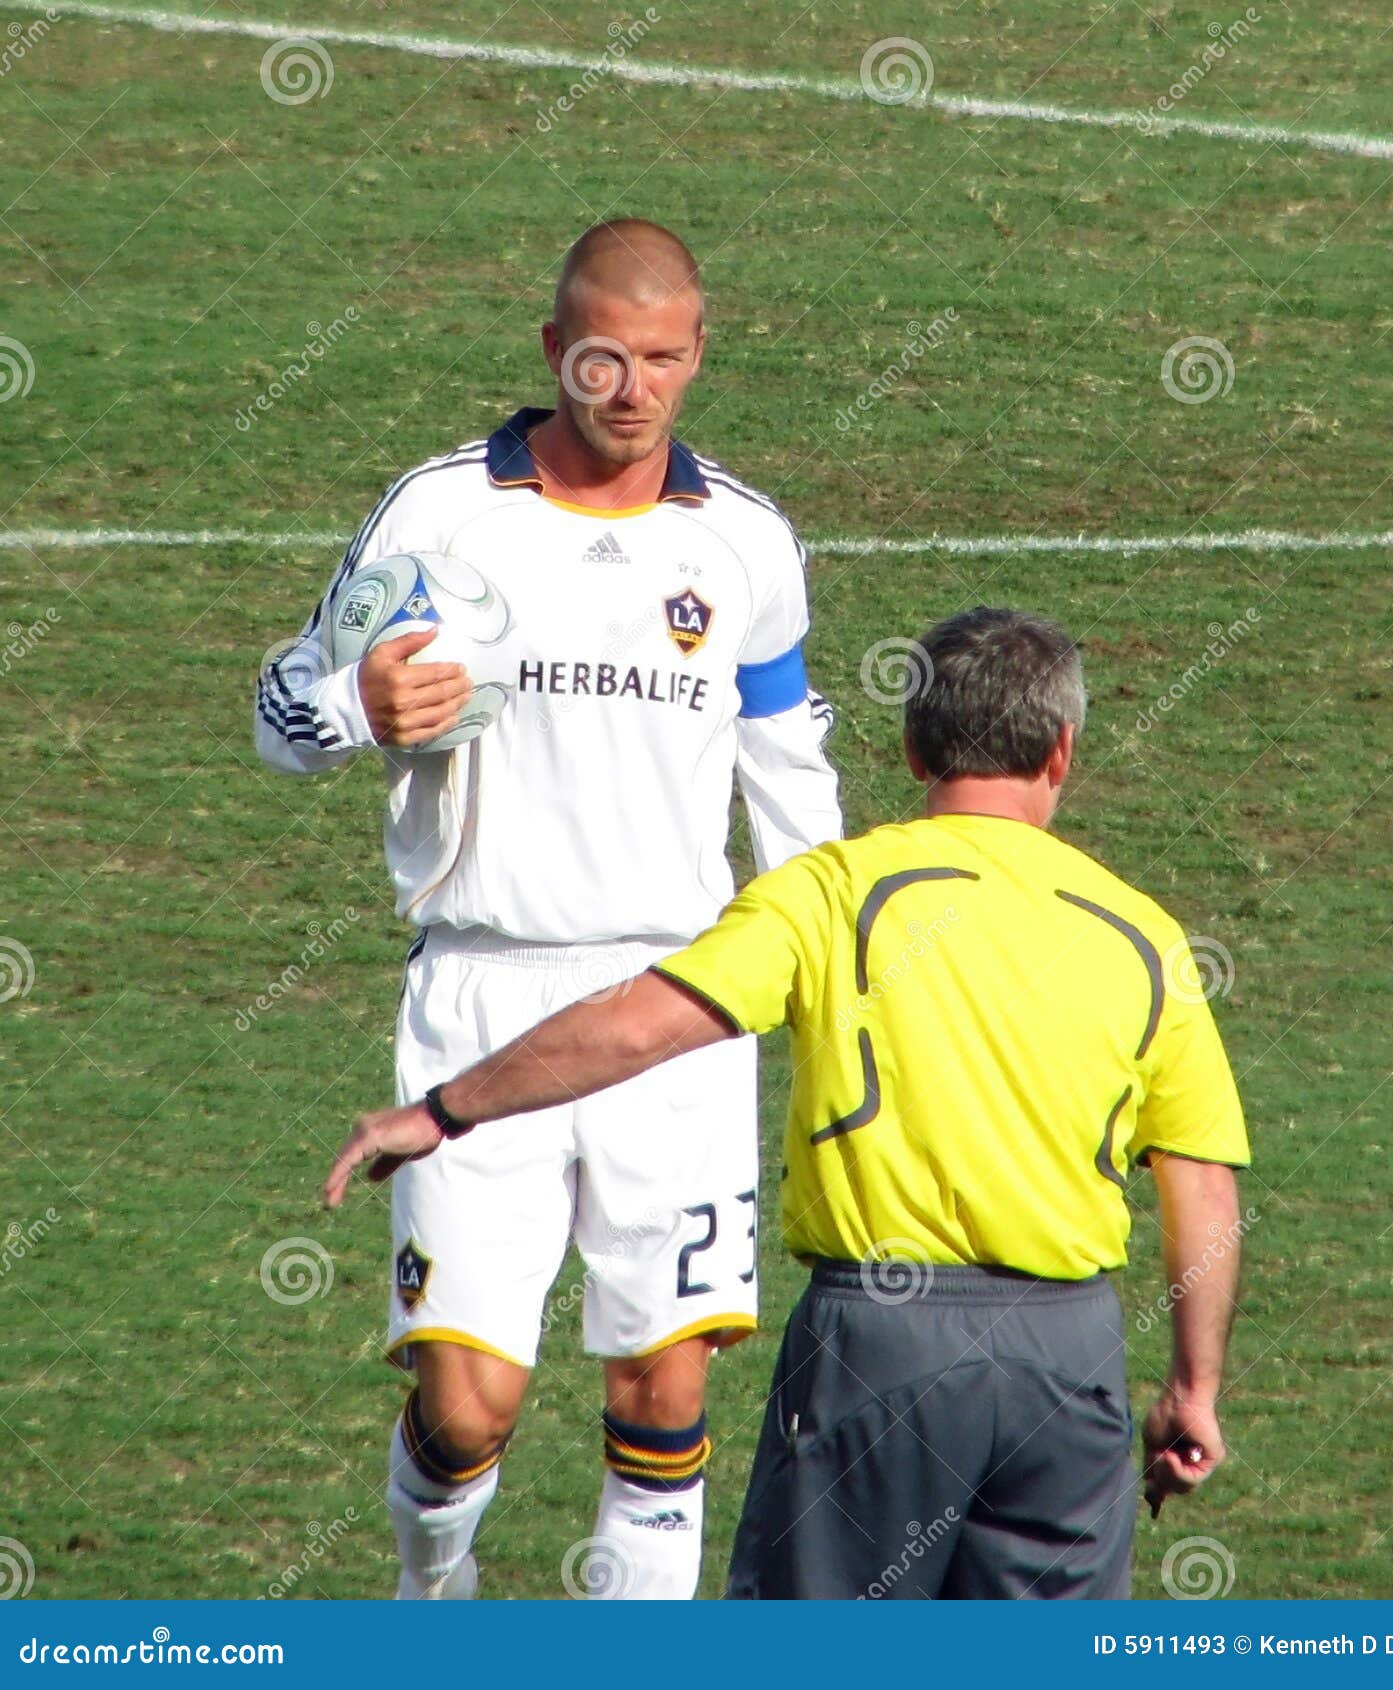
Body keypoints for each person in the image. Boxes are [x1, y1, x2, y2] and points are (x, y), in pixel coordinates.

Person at [327, 605, 1251, 1600]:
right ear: (1062, 747)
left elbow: (636, 1026)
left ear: (909, 747)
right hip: (1068, 1361)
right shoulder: (1145, 937)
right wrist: (1192, 1388)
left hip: (880, 1346)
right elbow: (1199, 1187)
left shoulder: (833, 893)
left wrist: (449, 1107)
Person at [260, 219, 842, 1600]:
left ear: (698, 355)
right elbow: (281, 714)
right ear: (551, 351)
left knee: (660, 1385)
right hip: (481, 986)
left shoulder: (745, 541)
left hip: (678, 1005)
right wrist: (355, 703)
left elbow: (790, 771)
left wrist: (845, 959)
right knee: (467, 1406)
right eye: (601, 357)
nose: (629, 388)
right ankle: (433, 1597)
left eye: (659, 358)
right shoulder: (440, 513)